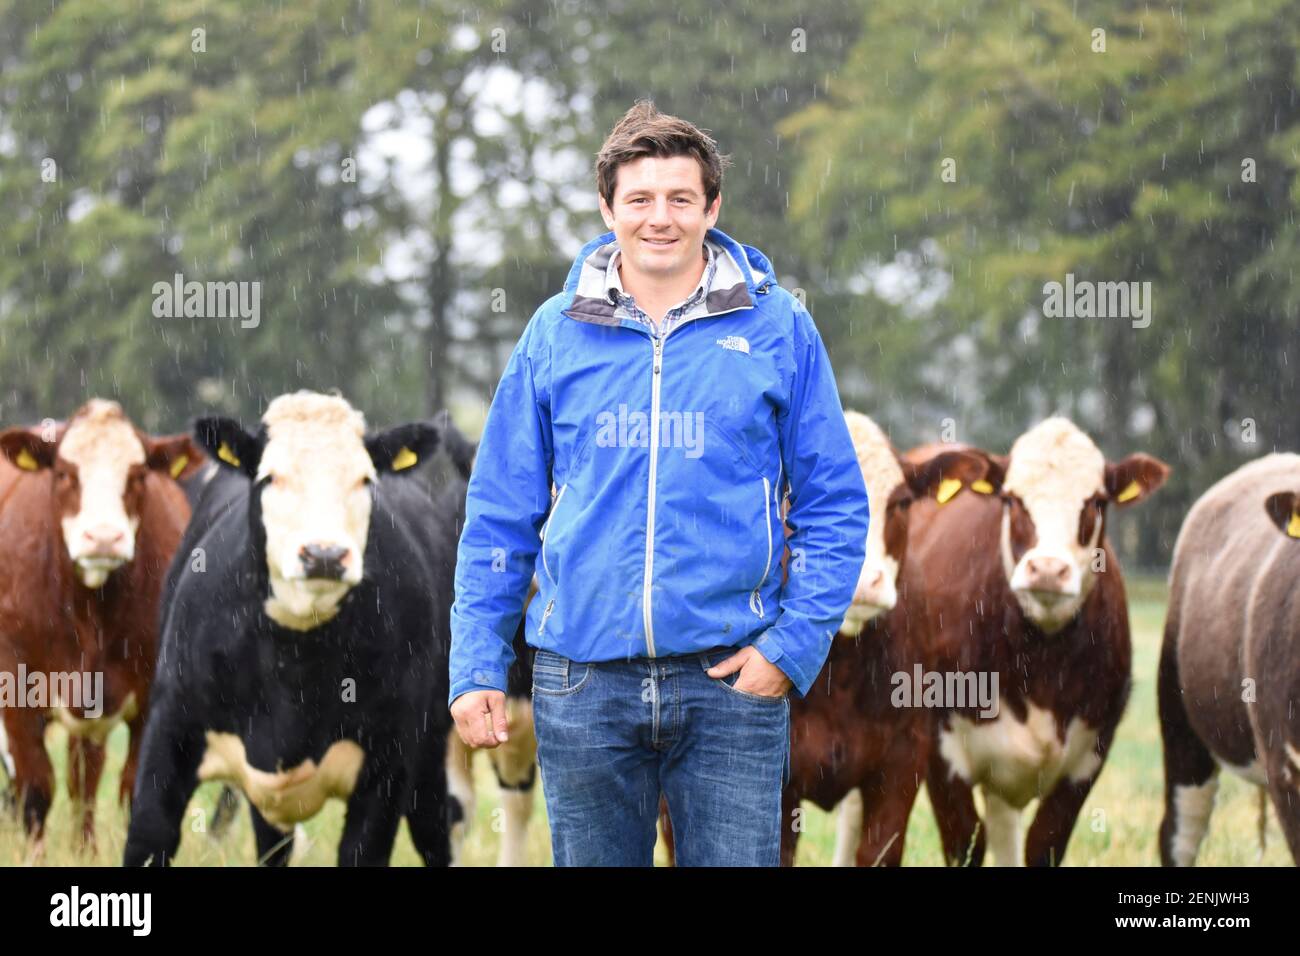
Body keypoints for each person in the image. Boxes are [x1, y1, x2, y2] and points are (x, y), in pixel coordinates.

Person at [448, 100, 869, 866]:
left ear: (713, 207)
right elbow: (501, 514)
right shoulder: (554, 333)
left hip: (730, 683)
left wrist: (792, 646)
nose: (660, 218)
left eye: (680, 198)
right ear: (608, 208)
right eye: (639, 199)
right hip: (581, 684)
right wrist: (477, 660)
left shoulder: (779, 329)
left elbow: (834, 504)